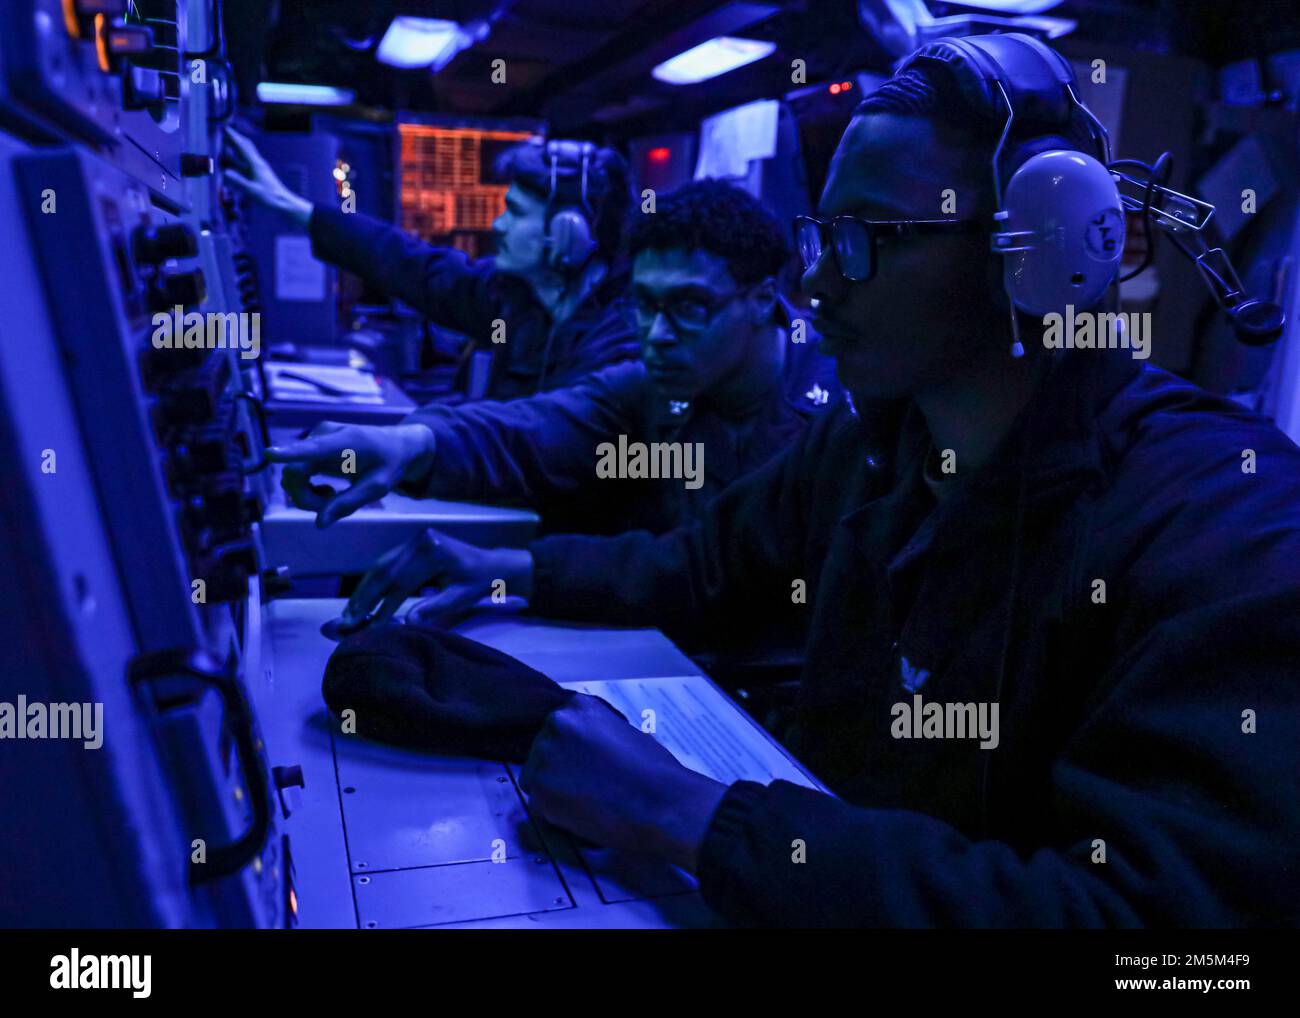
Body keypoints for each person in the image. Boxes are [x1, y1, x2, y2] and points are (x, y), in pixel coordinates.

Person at [369, 39, 1300, 926]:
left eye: (863, 239)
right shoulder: (873, 440)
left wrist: (690, 817)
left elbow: (1174, 944)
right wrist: (506, 571)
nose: (815, 287)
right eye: (821, 235)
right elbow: (700, 568)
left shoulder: (1227, 531)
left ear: (1038, 254)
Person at [269, 182, 839, 652]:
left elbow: (706, 572)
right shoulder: (653, 385)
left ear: (763, 299)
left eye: (690, 307)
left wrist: (518, 568)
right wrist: (413, 444)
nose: (657, 336)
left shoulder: (841, 410)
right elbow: (537, 429)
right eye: (644, 305)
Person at [224, 130, 638, 399]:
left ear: (568, 234)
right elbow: (412, 264)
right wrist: (289, 204)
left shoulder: (620, 345)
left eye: (514, 212)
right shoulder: (513, 298)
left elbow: (543, 438)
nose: (498, 225)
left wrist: (422, 439)